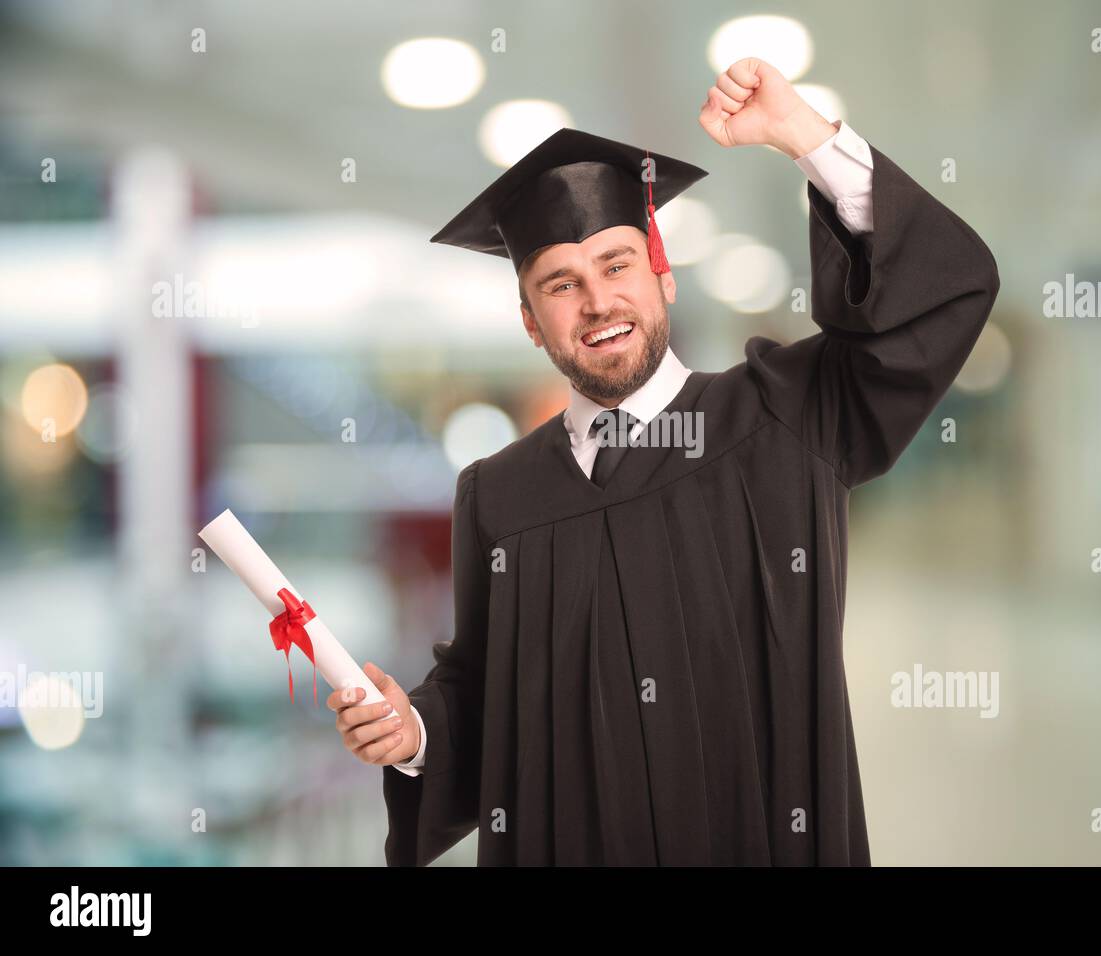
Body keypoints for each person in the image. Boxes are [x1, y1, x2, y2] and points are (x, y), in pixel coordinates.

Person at [330, 56, 999, 866]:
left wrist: (804, 137)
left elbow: (941, 293)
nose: (598, 303)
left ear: (662, 275)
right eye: (561, 285)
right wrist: (418, 733)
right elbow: (487, 692)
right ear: (532, 322)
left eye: (616, 266)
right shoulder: (497, 495)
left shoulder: (785, 416)